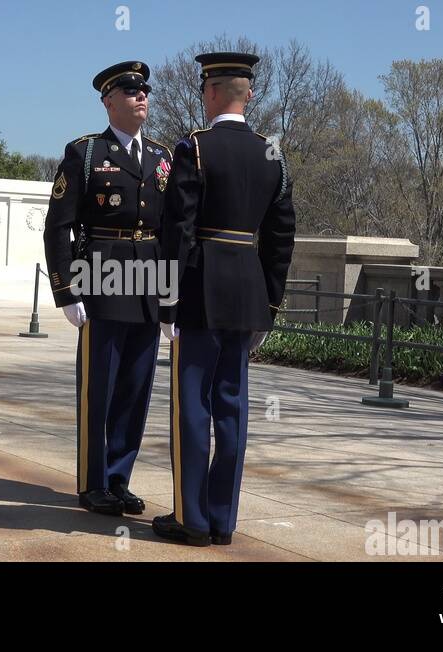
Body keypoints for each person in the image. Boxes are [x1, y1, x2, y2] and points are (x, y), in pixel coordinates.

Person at [152, 52, 296, 546]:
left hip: (198, 293)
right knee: (231, 408)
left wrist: (167, 302)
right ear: (249, 94)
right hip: (247, 294)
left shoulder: (194, 147)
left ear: (210, 92)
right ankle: (221, 520)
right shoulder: (272, 152)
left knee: (192, 405)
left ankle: (191, 519)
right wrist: (269, 305)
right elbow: (281, 237)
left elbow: (178, 232)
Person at [42, 61, 173, 517]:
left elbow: (173, 232)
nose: (142, 97)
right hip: (100, 281)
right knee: (99, 388)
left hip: (148, 284)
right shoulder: (86, 153)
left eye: (145, 91)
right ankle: (92, 482)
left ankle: (119, 479)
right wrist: (66, 291)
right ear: (108, 100)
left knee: (136, 390)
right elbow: (57, 227)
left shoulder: (161, 158)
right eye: (131, 90)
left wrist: (171, 299)